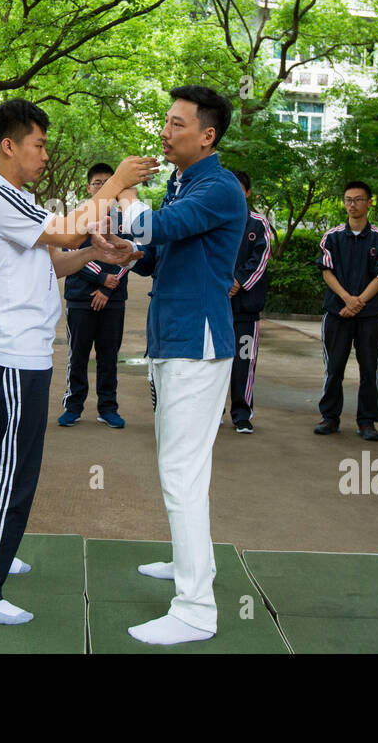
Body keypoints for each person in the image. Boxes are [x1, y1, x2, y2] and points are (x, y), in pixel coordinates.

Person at [0, 99, 149, 627]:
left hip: (24, 351)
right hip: (11, 353)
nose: (44, 155)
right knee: (11, 472)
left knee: (12, 465)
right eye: (38, 145)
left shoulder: (13, 195)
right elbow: (65, 230)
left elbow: (55, 256)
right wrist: (116, 184)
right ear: (8, 145)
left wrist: (95, 255)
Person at [119, 84, 247, 646]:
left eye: (177, 124)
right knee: (184, 466)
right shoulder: (184, 183)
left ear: (208, 135)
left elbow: (159, 228)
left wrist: (122, 190)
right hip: (174, 339)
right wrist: (133, 252)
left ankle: (195, 608)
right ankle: (188, 563)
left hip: (195, 345)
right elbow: (158, 249)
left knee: (182, 473)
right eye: (166, 122)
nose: (165, 132)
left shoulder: (217, 187)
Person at [314, 181, 378, 441]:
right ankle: (329, 417)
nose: (353, 204)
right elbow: (326, 271)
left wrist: (359, 301)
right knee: (334, 367)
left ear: (369, 202)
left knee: (369, 370)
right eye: (349, 199)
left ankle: (366, 421)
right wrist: (345, 299)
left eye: (359, 199)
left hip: (370, 316)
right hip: (337, 314)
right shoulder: (332, 236)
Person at [59, 163, 132, 430]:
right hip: (80, 298)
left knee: (108, 356)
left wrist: (108, 287)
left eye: (107, 182)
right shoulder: (77, 218)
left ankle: (108, 408)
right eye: (97, 183)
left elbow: (130, 254)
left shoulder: (124, 219)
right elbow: (68, 253)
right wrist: (101, 279)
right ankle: (73, 406)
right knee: (77, 355)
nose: (101, 186)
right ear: (89, 188)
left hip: (113, 299)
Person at [228, 170, 273, 434]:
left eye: (239, 188)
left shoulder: (258, 224)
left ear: (247, 192)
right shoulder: (216, 220)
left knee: (243, 360)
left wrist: (237, 282)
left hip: (245, 309)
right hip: (217, 308)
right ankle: (214, 413)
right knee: (214, 361)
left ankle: (242, 413)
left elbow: (261, 258)